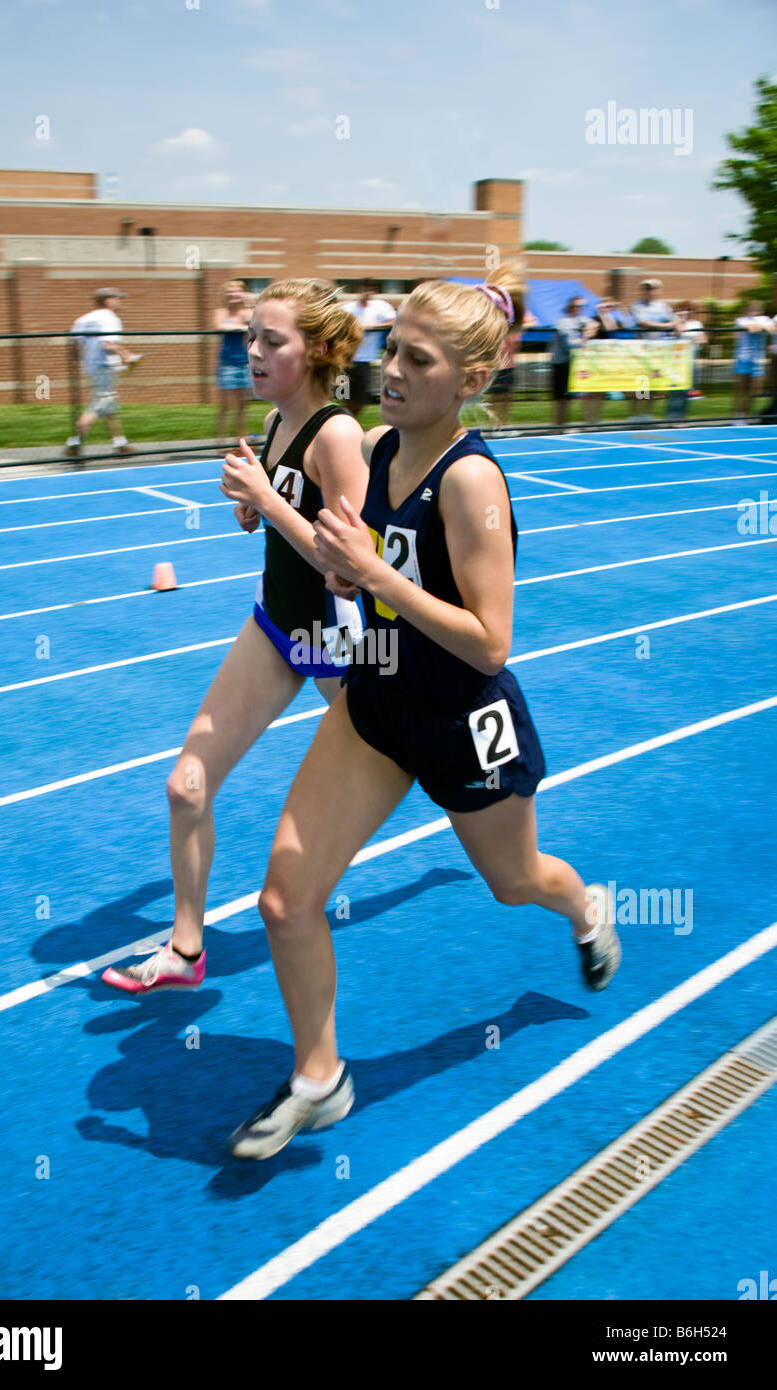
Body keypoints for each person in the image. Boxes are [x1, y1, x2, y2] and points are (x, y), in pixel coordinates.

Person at [227, 269, 621, 1160]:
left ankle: (586, 908)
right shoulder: (373, 449)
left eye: (418, 359)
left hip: (461, 718)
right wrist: (302, 536)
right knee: (285, 899)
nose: (393, 371)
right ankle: (319, 1079)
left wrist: (376, 576)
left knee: (515, 882)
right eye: (392, 349)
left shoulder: (471, 481)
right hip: (378, 696)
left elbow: (490, 643)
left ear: (472, 379)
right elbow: (349, 569)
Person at [101, 279, 366, 995]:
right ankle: (186, 951)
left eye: (271, 341)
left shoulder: (338, 436)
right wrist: (255, 511)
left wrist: (268, 502)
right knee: (185, 786)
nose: (251, 351)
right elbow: (286, 523)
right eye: (251, 336)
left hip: (336, 643)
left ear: (316, 351)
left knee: (427, 768)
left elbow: (349, 567)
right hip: (276, 627)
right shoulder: (277, 420)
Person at [64, 288, 142, 458]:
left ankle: (120, 443)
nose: (120, 301)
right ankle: (74, 442)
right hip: (105, 367)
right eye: (117, 298)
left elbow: (75, 346)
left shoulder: (83, 319)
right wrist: (128, 356)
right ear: (108, 301)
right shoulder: (110, 318)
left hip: (92, 368)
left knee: (108, 405)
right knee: (99, 405)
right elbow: (108, 344)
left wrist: (84, 362)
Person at [342, 280, 396, 420]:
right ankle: (345, 419)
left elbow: (394, 321)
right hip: (347, 359)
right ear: (358, 291)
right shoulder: (349, 308)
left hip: (366, 359)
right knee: (343, 394)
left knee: (360, 397)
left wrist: (372, 326)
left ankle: (350, 419)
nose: (366, 292)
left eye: (369, 289)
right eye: (363, 289)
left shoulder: (380, 307)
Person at [629, 279, 677, 422]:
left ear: (659, 290)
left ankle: (647, 413)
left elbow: (675, 321)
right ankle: (635, 414)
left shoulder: (664, 306)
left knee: (654, 383)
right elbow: (643, 322)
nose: (650, 292)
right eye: (647, 289)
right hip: (642, 350)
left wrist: (675, 325)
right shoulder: (637, 306)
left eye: (653, 289)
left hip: (659, 351)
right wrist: (665, 325)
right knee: (641, 384)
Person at [214, 280, 254, 441]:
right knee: (225, 405)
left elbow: (254, 327)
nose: (233, 294)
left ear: (243, 293)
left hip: (245, 363)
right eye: (230, 291)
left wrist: (242, 326)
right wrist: (243, 327)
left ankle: (241, 439)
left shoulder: (248, 313)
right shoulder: (220, 312)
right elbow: (220, 326)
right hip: (227, 363)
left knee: (243, 405)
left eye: (237, 290)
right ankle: (221, 441)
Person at [550, 294, 597, 429]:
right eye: (576, 306)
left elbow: (594, 323)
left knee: (570, 396)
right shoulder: (564, 323)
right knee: (561, 397)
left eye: (582, 306)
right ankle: (559, 426)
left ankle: (565, 425)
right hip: (561, 362)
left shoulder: (580, 319)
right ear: (570, 307)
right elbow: (570, 345)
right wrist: (586, 336)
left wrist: (591, 327)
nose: (579, 308)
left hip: (572, 362)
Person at [488, 306, 537, 434]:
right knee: (496, 397)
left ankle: (504, 425)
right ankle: (495, 426)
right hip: (496, 363)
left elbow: (533, 322)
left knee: (507, 396)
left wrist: (518, 327)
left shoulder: (517, 310)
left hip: (511, 362)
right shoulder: (495, 310)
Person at [732, 301, 774, 423]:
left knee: (754, 390)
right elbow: (751, 328)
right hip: (743, 358)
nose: (755, 312)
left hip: (757, 360)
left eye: (757, 310)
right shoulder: (741, 320)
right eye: (752, 310)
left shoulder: (764, 319)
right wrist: (762, 325)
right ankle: (737, 415)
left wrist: (761, 325)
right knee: (741, 389)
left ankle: (745, 415)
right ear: (747, 311)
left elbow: (772, 329)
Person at [667, 301, 707, 421]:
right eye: (683, 309)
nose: (687, 312)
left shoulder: (697, 323)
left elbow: (703, 339)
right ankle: (672, 417)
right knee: (675, 389)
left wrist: (692, 338)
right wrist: (680, 321)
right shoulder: (674, 322)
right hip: (677, 360)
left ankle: (682, 417)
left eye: (689, 309)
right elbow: (676, 335)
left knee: (687, 390)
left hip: (692, 358)